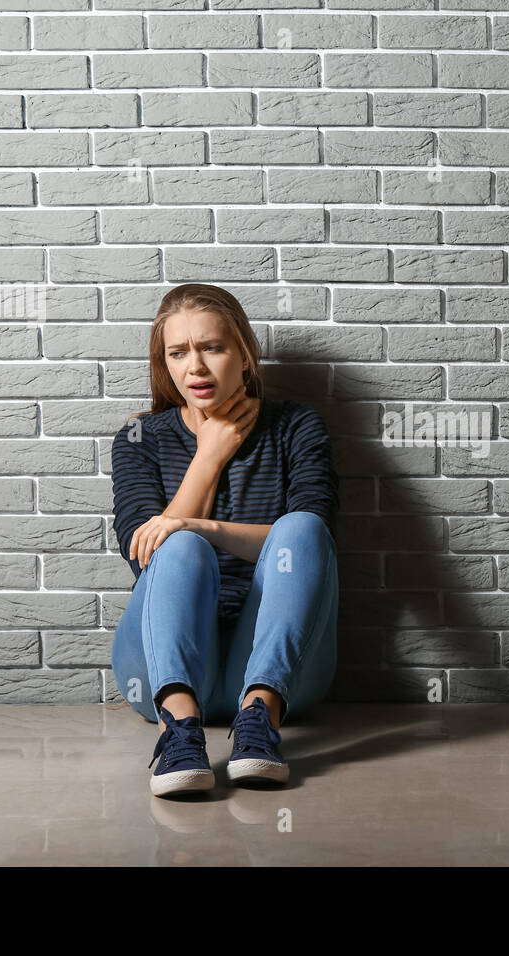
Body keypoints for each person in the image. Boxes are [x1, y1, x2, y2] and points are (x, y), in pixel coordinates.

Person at [109, 283, 340, 798]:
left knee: (300, 526)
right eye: (178, 352)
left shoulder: (296, 427)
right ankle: (179, 729)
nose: (195, 367)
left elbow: (312, 548)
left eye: (212, 347)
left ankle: (259, 720)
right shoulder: (139, 439)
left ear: (245, 353)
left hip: (273, 666)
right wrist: (208, 456)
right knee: (177, 547)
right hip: (159, 665)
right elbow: (145, 555)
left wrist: (198, 525)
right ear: (164, 364)